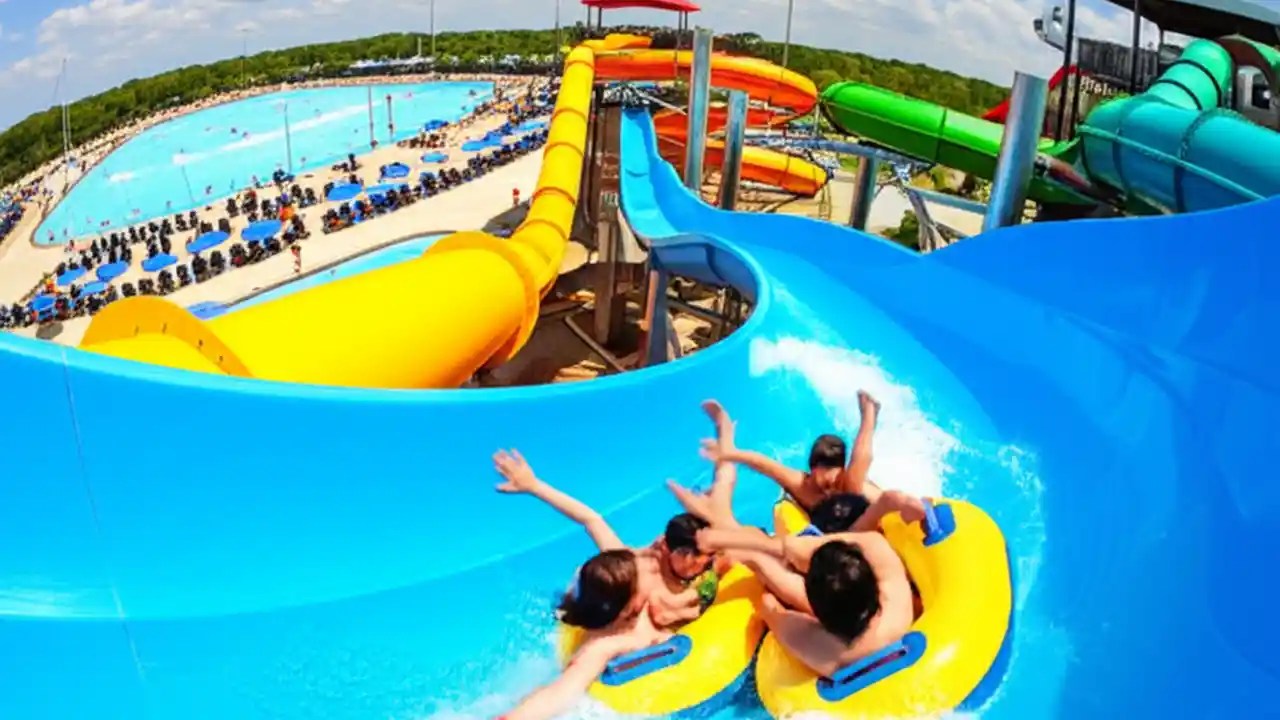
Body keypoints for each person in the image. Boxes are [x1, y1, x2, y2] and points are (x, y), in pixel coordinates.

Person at [698, 390, 924, 532]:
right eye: (827, 481)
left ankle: (869, 413)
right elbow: (764, 464)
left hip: (869, 516)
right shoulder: (801, 484)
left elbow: (861, 459)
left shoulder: (848, 482)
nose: (831, 487)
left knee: (856, 484)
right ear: (813, 469)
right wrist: (729, 454)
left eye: (836, 477)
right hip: (842, 531)